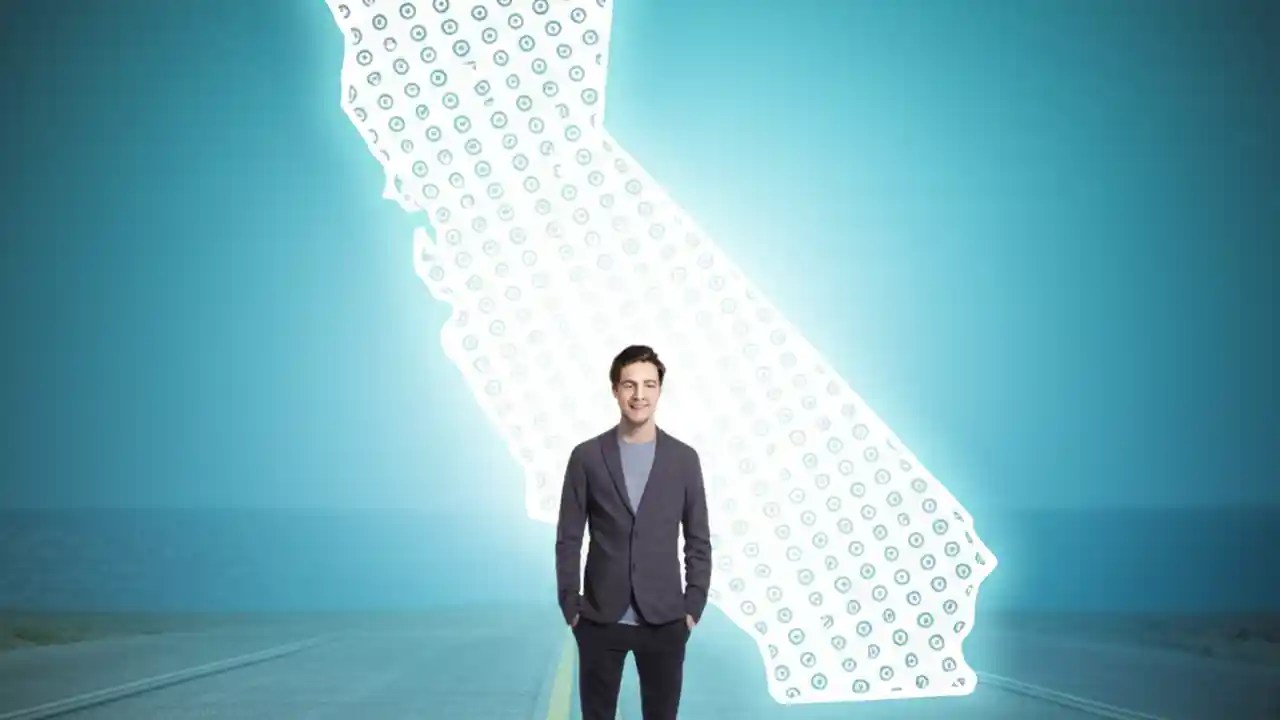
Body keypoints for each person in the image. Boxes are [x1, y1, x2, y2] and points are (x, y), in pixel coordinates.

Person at [555, 344, 713, 720]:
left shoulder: (684, 459)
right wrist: (570, 605)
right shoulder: (587, 456)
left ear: (660, 390)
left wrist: (692, 607)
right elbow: (569, 538)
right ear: (615, 390)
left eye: (649, 385)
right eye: (629, 385)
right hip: (598, 618)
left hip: (665, 620)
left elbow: (698, 539)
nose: (639, 395)